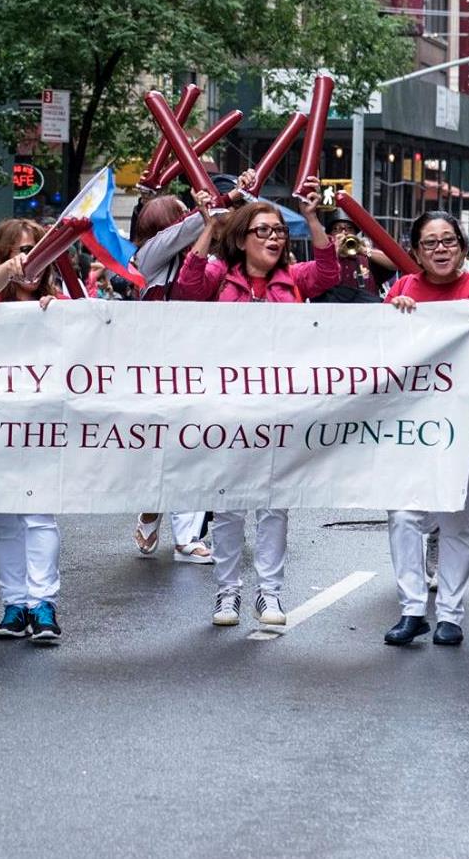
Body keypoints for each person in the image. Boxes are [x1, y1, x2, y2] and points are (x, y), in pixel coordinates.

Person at [173, 177, 338, 628]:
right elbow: (187, 287)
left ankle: (270, 594)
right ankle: (227, 594)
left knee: (273, 505)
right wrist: (209, 226)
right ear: (242, 239)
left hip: (281, 410)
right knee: (227, 505)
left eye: (278, 231)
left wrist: (309, 217)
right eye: (261, 231)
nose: (272, 238)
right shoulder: (218, 278)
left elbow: (329, 273)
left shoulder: (294, 279)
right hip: (227, 410)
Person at [382, 211, 469, 647]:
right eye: (430, 243)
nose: (441, 249)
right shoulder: (402, 289)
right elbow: (380, 348)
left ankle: (451, 615)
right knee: (403, 513)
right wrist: (395, 317)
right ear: (417, 252)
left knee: (457, 518)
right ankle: (412, 609)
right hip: (413, 423)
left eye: (449, 241)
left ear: (462, 246)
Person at [0, 218, 64, 644]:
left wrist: (59, 314)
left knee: (40, 515)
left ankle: (43, 604)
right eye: (22, 250)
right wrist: (11, 269)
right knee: (4, 518)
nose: (32, 259)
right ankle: (14, 604)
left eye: (39, 249)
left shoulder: (60, 303)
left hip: (43, 426)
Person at [127, 193, 214, 564]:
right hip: (158, 365)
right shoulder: (147, 256)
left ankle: (186, 537)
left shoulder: (202, 254)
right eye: (181, 214)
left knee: (194, 446)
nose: (189, 218)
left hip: (200, 360)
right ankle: (151, 508)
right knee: (160, 447)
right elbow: (187, 230)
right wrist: (213, 207)